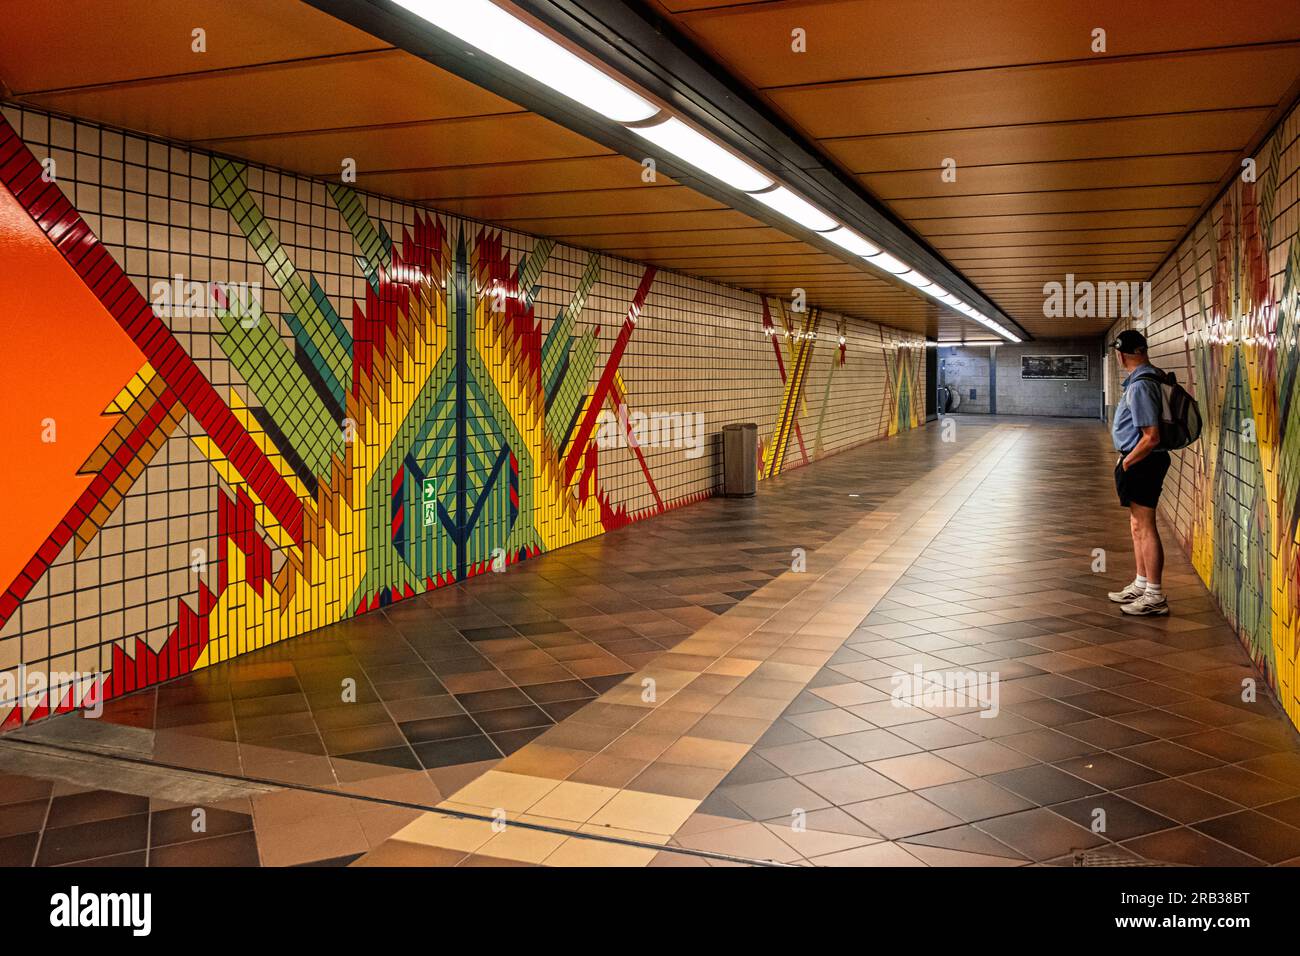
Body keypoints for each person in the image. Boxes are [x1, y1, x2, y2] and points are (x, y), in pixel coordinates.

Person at [1107, 330, 1171, 616]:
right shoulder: (1144, 379)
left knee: (1145, 527)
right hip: (1141, 460)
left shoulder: (1141, 385)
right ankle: (1141, 583)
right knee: (1137, 526)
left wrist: (1128, 462)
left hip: (1143, 462)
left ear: (1121, 355)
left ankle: (1154, 595)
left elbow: (1151, 436)